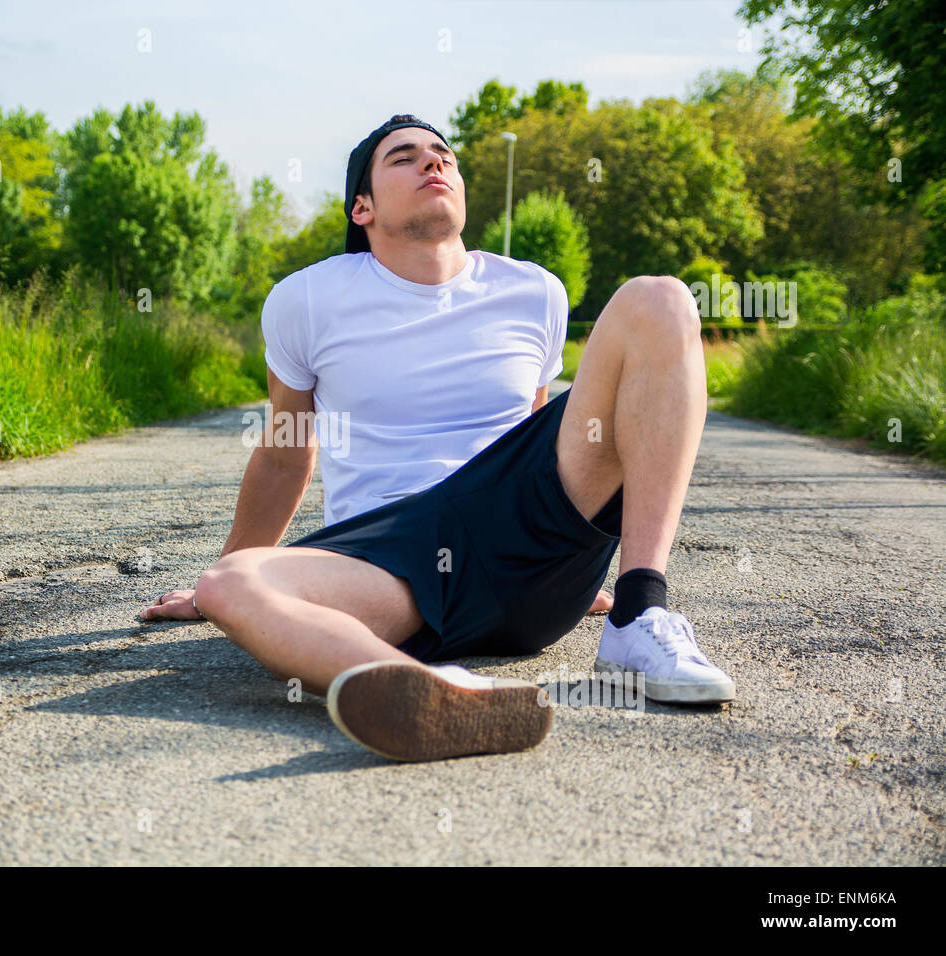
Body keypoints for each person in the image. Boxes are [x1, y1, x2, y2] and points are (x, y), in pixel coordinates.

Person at [139, 114, 736, 762]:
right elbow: (285, 454)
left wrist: (567, 562)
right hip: (390, 561)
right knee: (232, 583)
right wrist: (212, 588)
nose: (433, 163)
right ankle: (433, 692)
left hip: (528, 542)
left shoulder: (535, 290)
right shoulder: (306, 299)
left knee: (661, 298)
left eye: (443, 155)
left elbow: (537, 433)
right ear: (360, 206)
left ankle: (639, 617)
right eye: (404, 157)